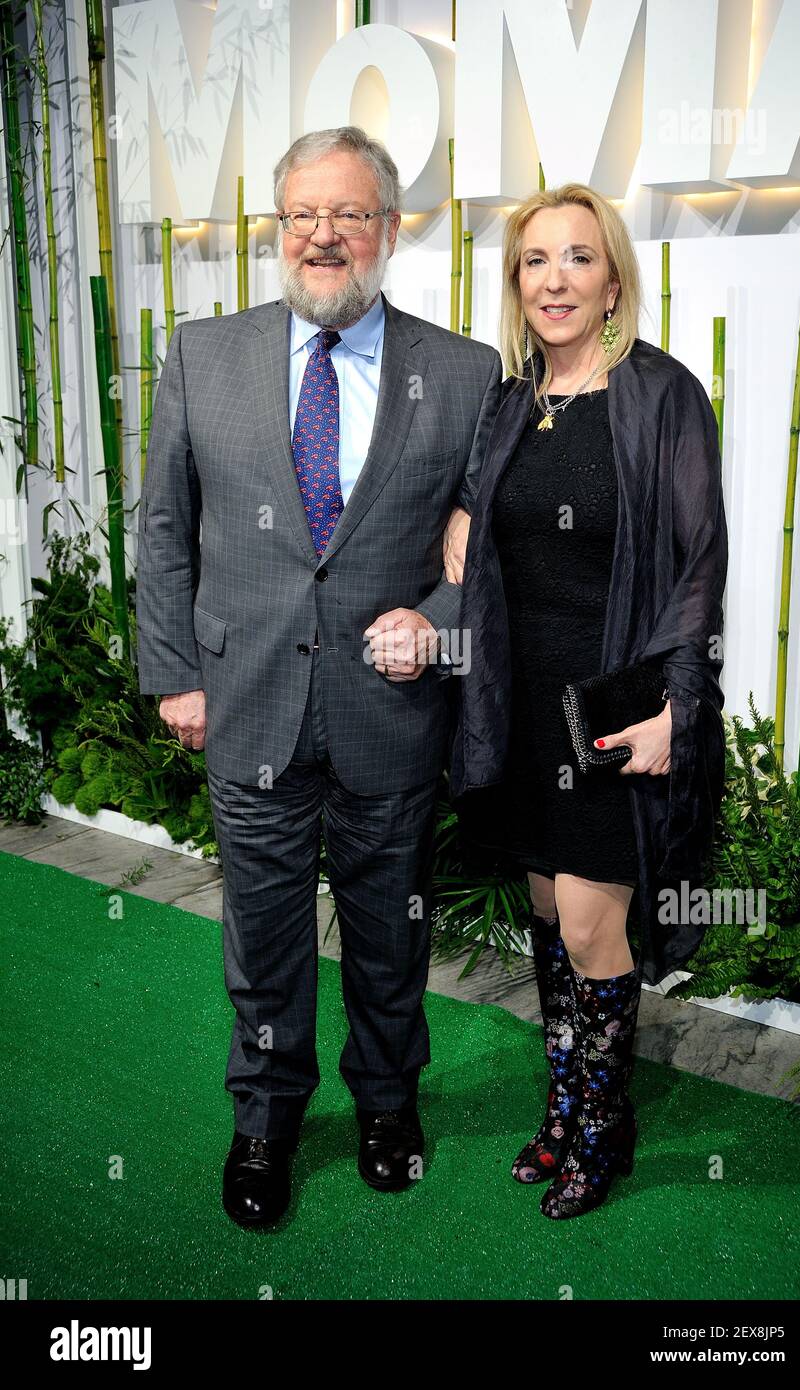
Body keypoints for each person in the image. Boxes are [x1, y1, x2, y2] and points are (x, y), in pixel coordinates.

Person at [136, 125, 501, 1229]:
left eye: (348, 215)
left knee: (390, 932)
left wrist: (436, 624)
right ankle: (265, 1121)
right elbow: (163, 528)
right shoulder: (203, 355)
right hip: (243, 702)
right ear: (276, 228)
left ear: (390, 229)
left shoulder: (463, 370)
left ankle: (388, 1106)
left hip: (389, 715)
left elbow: (490, 551)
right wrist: (174, 675)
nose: (323, 235)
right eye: (303, 215)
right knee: (264, 938)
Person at [445, 184, 728, 1220]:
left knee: (589, 923)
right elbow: (479, 520)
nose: (553, 279)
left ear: (612, 278)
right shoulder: (513, 400)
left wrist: (677, 711)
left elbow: (700, 564)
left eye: (576, 258)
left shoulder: (661, 395)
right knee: (543, 915)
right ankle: (562, 1107)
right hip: (520, 709)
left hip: (614, 707)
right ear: (514, 283)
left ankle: (603, 1128)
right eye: (533, 261)